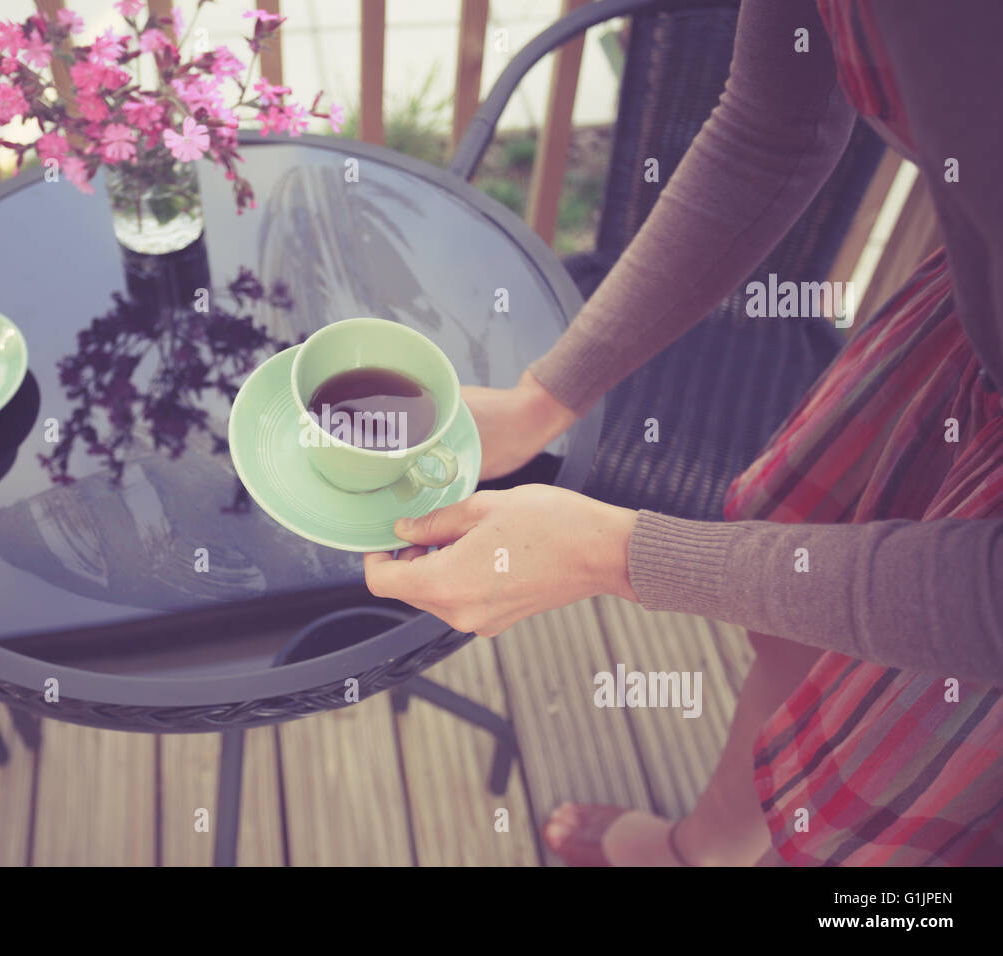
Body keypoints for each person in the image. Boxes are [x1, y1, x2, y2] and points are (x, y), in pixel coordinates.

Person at [364, 0, 1003, 866]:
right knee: (800, 628)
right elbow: (767, 134)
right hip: (962, 347)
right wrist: (542, 402)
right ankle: (700, 850)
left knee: (899, 822)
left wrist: (613, 556)